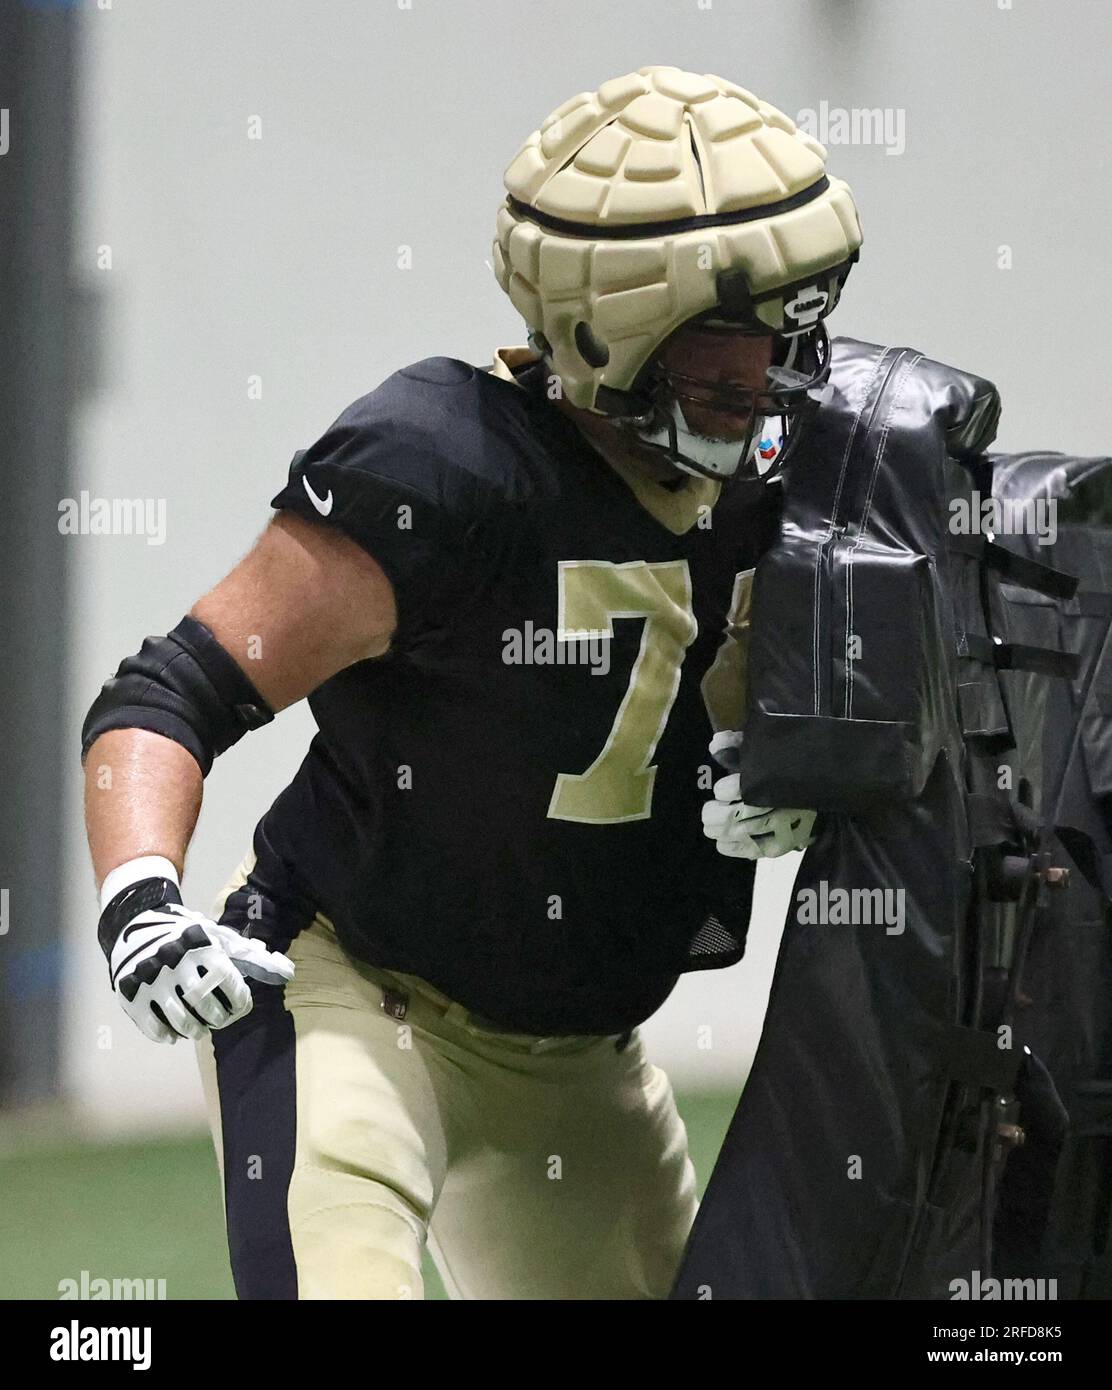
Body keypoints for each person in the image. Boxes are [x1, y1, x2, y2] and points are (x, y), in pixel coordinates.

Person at [81, 64, 862, 1300]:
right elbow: (163, 695)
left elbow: (796, 718)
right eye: (741, 321)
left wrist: (795, 771)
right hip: (347, 989)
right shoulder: (441, 469)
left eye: (796, 315)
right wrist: (138, 900)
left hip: (577, 1050)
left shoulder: (783, 476)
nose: (776, 363)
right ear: (617, 318)